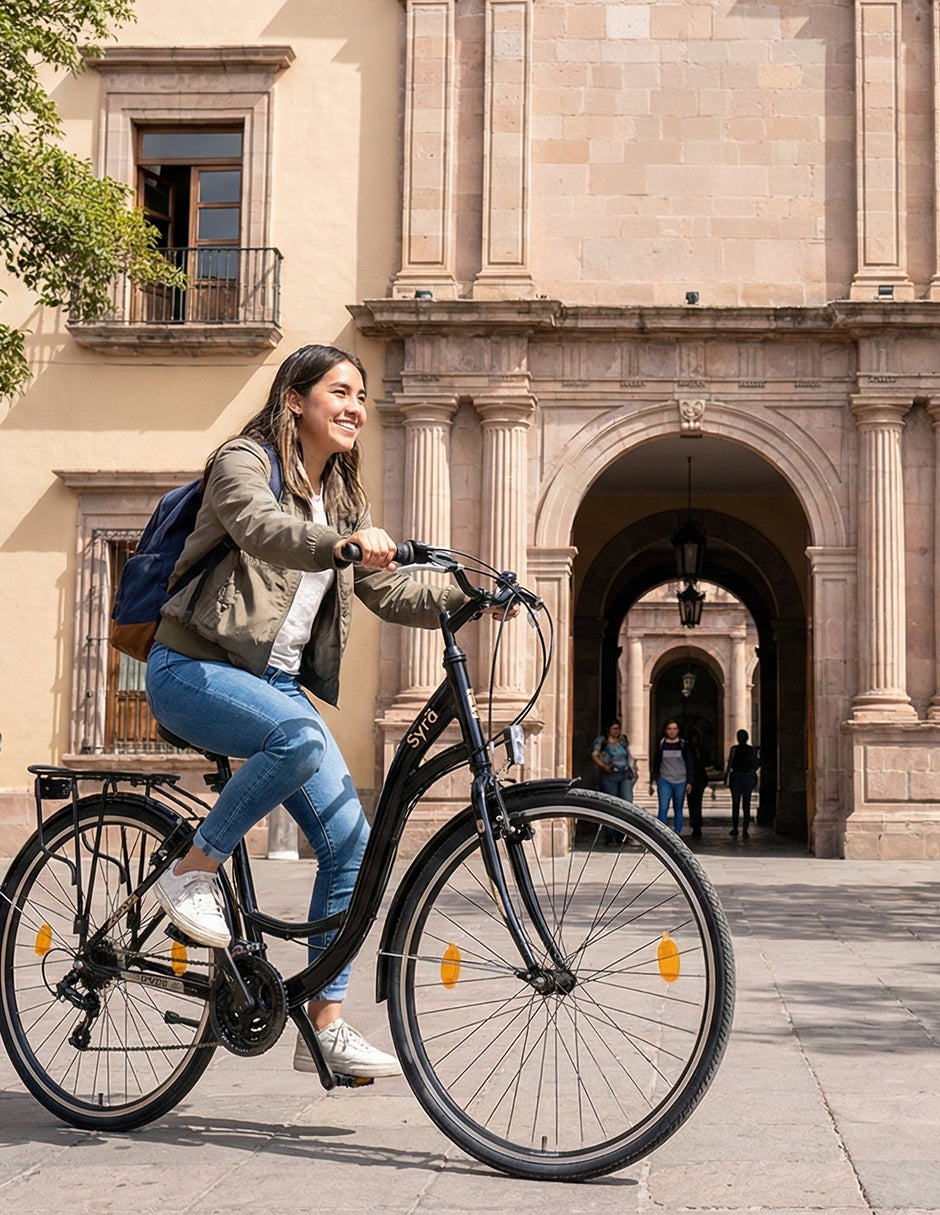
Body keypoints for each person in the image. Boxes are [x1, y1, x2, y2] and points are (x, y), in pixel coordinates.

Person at [145, 343, 470, 1080]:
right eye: (340, 391)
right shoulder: (244, 462)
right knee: (294, 736)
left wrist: (468, 594)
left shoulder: (343, 500)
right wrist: (339, 542)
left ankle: (323, 1020)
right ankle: (192, 871)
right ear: (296, 398)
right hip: (191, 667)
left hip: (276, 685)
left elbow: (384, 590)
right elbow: (264, 529)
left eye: (361, 395)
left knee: (351, 842)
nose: (356, 406)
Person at [590, 719, 637, 844]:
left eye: (618, 728)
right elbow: (594, 755)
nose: (617, 731)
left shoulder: (622, 740)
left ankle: (625, 835)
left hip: (624, 774)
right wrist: (604, 767)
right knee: (611, 805)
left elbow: (628, 754)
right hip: (609, 775)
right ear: (608, 729)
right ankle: (610, 836)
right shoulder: (602, 741)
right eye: (614, 728)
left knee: (627, 804)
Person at [650, 719, 694, 835]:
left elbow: (689, 763)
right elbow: (657, 762)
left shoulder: (683, 744)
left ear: (678, 730)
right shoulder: (662, 744)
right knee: (663, 808)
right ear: (665, 730)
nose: (672, 731)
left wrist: (690, 781)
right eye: (669, 729)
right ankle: (661, 834)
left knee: (678, 808)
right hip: (665, 780)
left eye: (674, 729)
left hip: (680, 781)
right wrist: (654, 778)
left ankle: (677, 833)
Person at [724, 729, 760, 839]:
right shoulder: (751, 750)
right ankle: (745, 829)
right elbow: (756, 765)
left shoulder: (734, 749)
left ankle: (736, 828)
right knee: (746, 804)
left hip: (737, 777)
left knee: (736, 804)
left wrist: (726, 777)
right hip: (747, 777)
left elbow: (730, 764)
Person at [685, 725, 710, 840]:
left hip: (699, 780)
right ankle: (695, 824)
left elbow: (707, 762)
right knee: (692, 804)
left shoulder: (702, 749)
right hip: (691, 780)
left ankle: (697, 825)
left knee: (697, 804)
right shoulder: (687, 748)